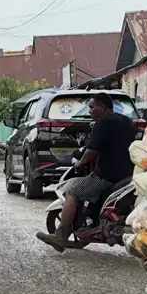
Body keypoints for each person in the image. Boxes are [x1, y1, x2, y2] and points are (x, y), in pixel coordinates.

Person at [43, 98, 136, 251]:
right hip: (127, 173)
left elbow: (91, 151)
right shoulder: (127, 121)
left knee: (73, 193)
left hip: (106, 175)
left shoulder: (103, 122)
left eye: (92, 107)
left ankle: (60, 236)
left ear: (103, 107)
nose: (90, 111)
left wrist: (79, 164)